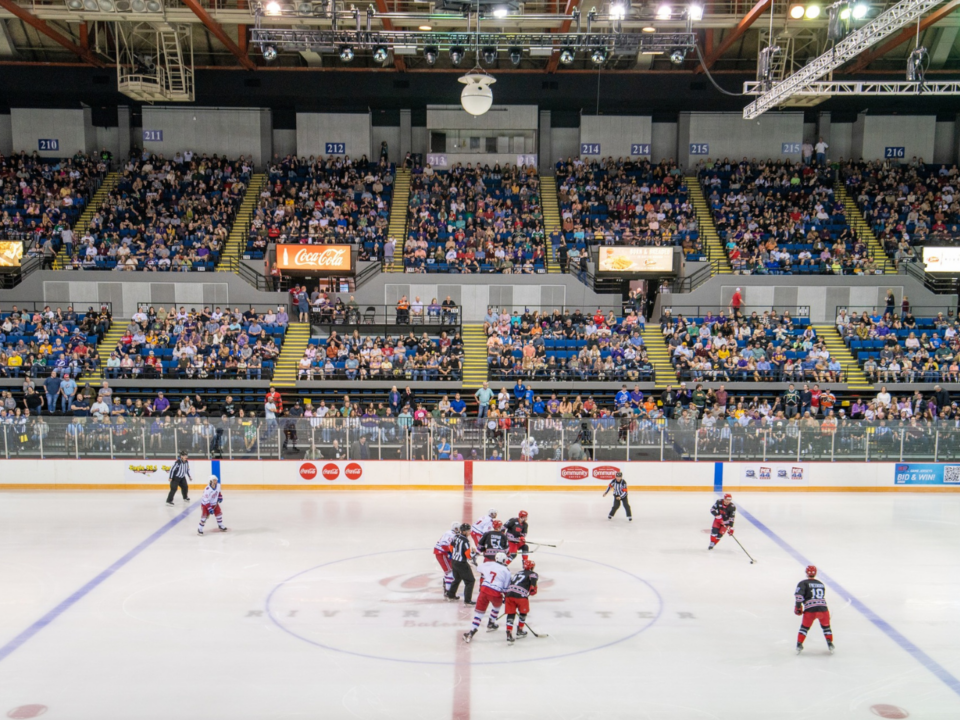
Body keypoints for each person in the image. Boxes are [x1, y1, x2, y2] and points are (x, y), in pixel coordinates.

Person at [462, 552, 511, 643]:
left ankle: (472, 631)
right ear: (504, 560)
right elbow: (506, 587)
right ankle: (491, 623)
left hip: (484, 589)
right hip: (496, 592)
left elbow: (478, 567)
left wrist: (474, 559)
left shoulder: (488, 564)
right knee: (497, 607)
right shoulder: (506, 570)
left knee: (479, 613)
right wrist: (505, 597)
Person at [795, 565, 834, 655]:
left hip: (810, 610)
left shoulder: (803, 583)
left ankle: (799, 644)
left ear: (806, 572)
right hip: (823, 609)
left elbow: (799, 596)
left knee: (804, 628)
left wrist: (798, 607)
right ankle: (830, 643)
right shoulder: (821, 584)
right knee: (826, 627)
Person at [504, 559, 539, 643]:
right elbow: (533, 588)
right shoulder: (533, 574)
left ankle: (509, 632)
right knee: (523, 613)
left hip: (509, 595)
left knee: (511, 614)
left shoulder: (518, 573)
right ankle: (520, 630)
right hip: (521, 596)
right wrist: (532, 589)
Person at [446, 523, 476, 605]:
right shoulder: (465, 541)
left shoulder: (455, 537)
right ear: (464, 531)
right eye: (468, 530)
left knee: (457, 579)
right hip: (461, 563)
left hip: (454, 561)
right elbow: (468, 555)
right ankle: (467, 601)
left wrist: (456, 554)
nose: (470, 532)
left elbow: (451, 548)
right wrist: (474, 552)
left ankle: (450, 595)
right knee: (470, 581)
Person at [434, 521, 459, 596]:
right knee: (450, 572)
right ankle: (448, 592)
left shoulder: (450, 533)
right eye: (458, 528)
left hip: (443, 553)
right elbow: (444, 545)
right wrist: (452, 551)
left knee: (450, 571)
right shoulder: (451, 534)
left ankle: (447, 589)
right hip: (442, 553)